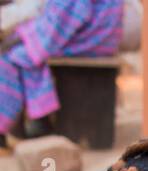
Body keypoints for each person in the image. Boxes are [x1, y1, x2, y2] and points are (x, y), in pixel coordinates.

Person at [0, 0, 122, 140]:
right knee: (23, 51)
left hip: (87, 40)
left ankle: (32, 118)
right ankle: (38, 118)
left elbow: (58, 26)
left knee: (14, 57)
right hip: (102, 39)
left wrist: (23, 37)